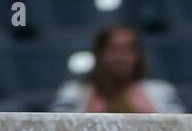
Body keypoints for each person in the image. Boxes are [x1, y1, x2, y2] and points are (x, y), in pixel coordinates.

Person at [51, 25, 184, 113]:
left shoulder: (162, 92)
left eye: (129, 50)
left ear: (138, 56)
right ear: (100, 54)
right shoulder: (72, 94)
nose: (121, 57)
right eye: (114, 50)